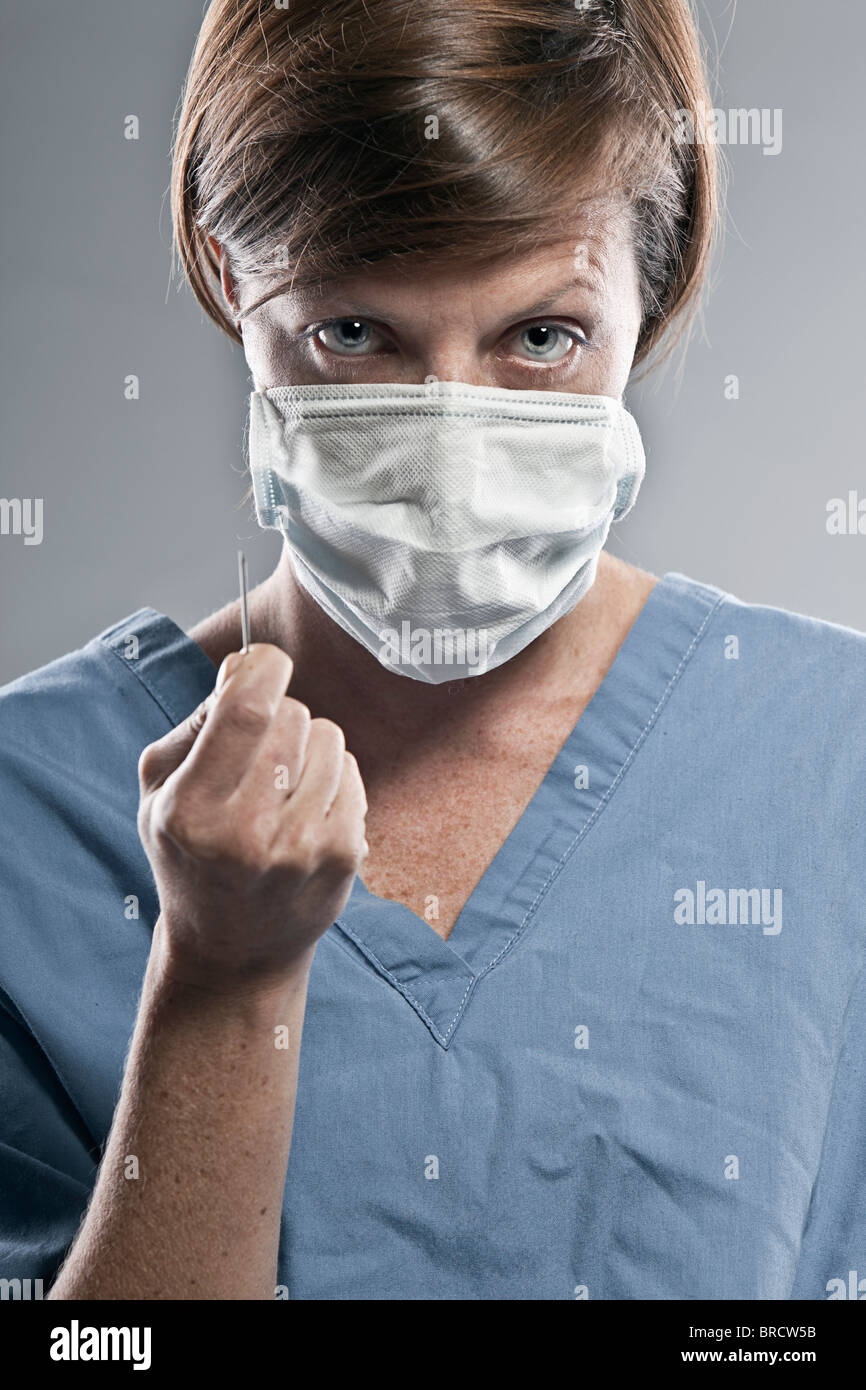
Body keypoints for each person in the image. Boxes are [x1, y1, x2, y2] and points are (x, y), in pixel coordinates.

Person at [1, 0, 864, 1302]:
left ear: (659, 284)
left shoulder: (827, 755)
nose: (451, 451)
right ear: (229, 275)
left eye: (540, 337)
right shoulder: (28, 806)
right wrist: (222, 990)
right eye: (353, 335)